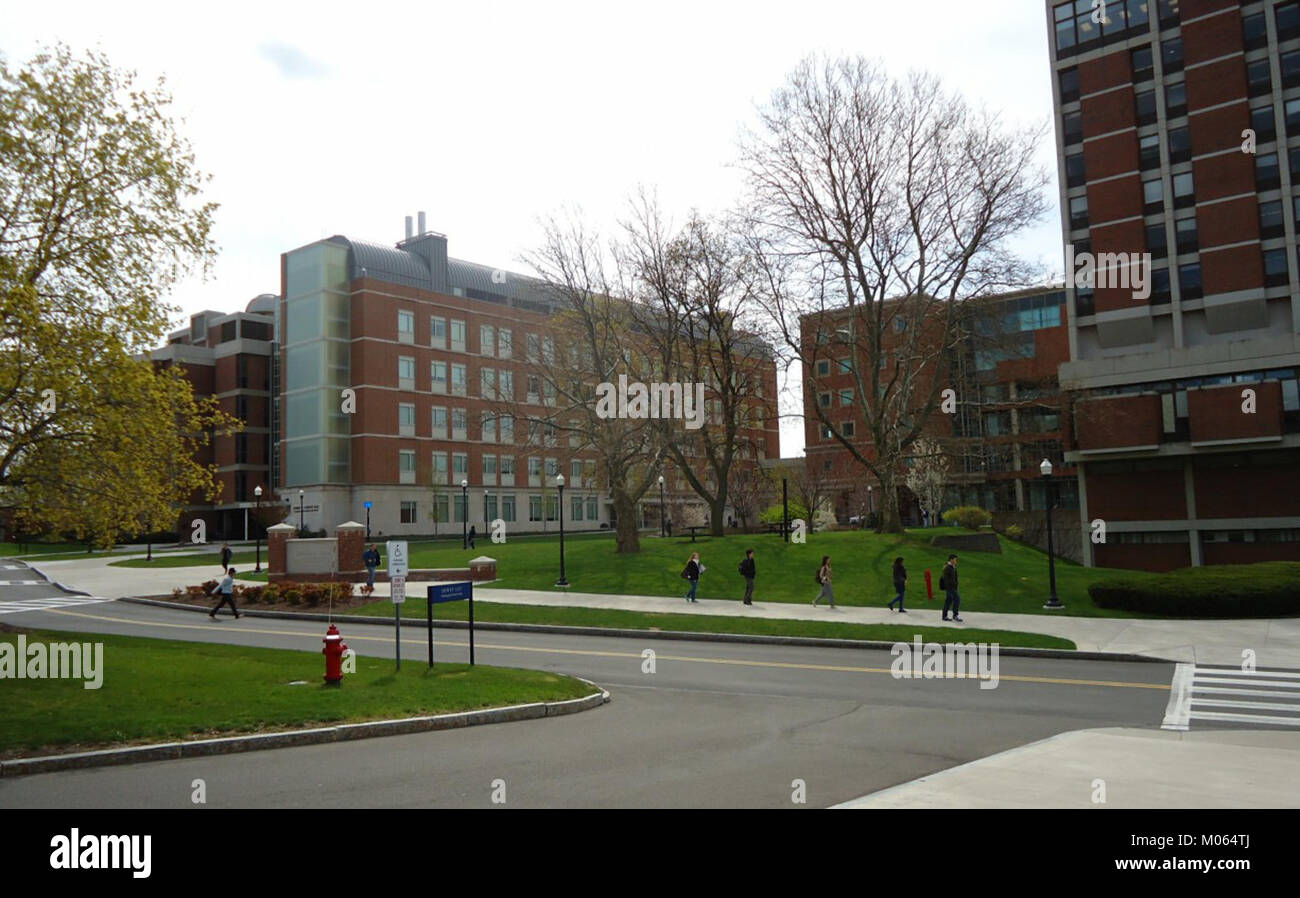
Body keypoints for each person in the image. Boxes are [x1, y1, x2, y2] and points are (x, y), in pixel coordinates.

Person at [940, 554, 963, 622]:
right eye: (955, 559)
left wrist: (956, 585)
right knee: (954, 599)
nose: (956, 561)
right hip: (950, 588)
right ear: (951, 560)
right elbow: (945, 578)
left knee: (951, 600)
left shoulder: (953, 567)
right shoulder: (947, 567)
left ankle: (949, 615)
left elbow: (955, 578)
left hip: (953, 587)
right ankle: (951, 615)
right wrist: (948, 587)